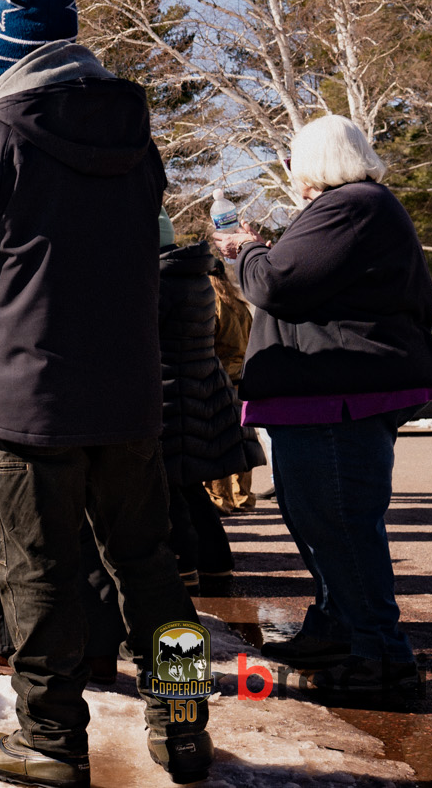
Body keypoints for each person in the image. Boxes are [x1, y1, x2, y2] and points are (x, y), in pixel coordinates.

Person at [0, 0, 209, 788]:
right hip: (129, 396)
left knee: (40, 571)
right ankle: (183, 721)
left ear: (5, 54)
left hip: (28, 403)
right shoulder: (134, 138)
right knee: (148, 564)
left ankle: (49, 737)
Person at [209, 115, 432, 694]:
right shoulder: (352, 209)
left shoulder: (354, 205)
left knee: (340, 521)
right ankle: (337, 625)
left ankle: (383, 655)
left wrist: (245, 250)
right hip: (318, 396)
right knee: (312, 513)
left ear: (316, 161)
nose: (289, 172)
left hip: (342, 396)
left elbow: (277, 285)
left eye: (293, 159)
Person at [154, 216, 260, 596]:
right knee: (189, 488)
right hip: (199, 391)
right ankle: (216, 567)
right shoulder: (191, 277)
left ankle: (183, 576)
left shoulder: (158, 283)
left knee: (168, 490)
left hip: (169, 399)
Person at [205, 263, 258, 513]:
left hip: (220, 377)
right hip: (242, 377)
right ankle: (243, 496)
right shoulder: (240, 305)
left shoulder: (210, 303)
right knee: (240, 439)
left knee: (218, 441)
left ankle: (220, 498)